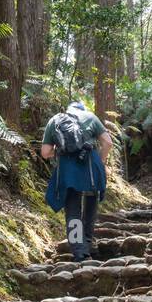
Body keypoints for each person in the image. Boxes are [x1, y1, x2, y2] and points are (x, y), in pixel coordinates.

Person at [41, 100, 113, 262]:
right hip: (90, 167)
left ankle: (79, 251)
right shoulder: (90, 117)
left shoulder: (55, 120)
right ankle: (88, 242)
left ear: (67, 110)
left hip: (68, 171)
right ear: (82, 109)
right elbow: (108, 143)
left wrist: (62, 151)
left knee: (72, 210)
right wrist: (100, 161)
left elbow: (45, 152)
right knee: (90, 204)